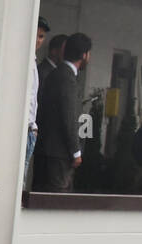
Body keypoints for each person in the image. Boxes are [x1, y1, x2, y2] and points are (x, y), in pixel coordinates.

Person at [34, 31, 90, 193]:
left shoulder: (54, 74)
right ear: (84, 55)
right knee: (54, 202)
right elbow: (69, 117)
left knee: (41, 199)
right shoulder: (67, 78)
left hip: (45, 150)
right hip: (59, 155)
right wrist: (76, 151)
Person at [26, 18, 49, 191]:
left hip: (30, 130)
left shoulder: (33, 61)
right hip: (24, 130)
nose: (38, 40)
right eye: (36, 35)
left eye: (42, 36)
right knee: (19, 177)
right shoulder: (24, 60)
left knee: (23, 177)